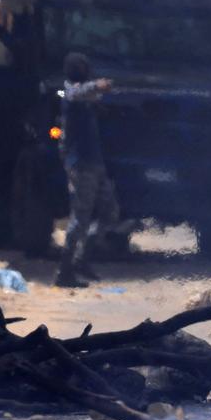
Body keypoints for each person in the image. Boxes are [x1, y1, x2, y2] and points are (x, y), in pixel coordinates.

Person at [56, 52, 122, 288]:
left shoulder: (86, 98)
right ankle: (65, 271)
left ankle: (81, 258)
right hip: (81, 164)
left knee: (110, 212)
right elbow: (75, 93)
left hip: (95, 163)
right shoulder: (69, 92)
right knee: (80, 218)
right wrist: (97, 85)